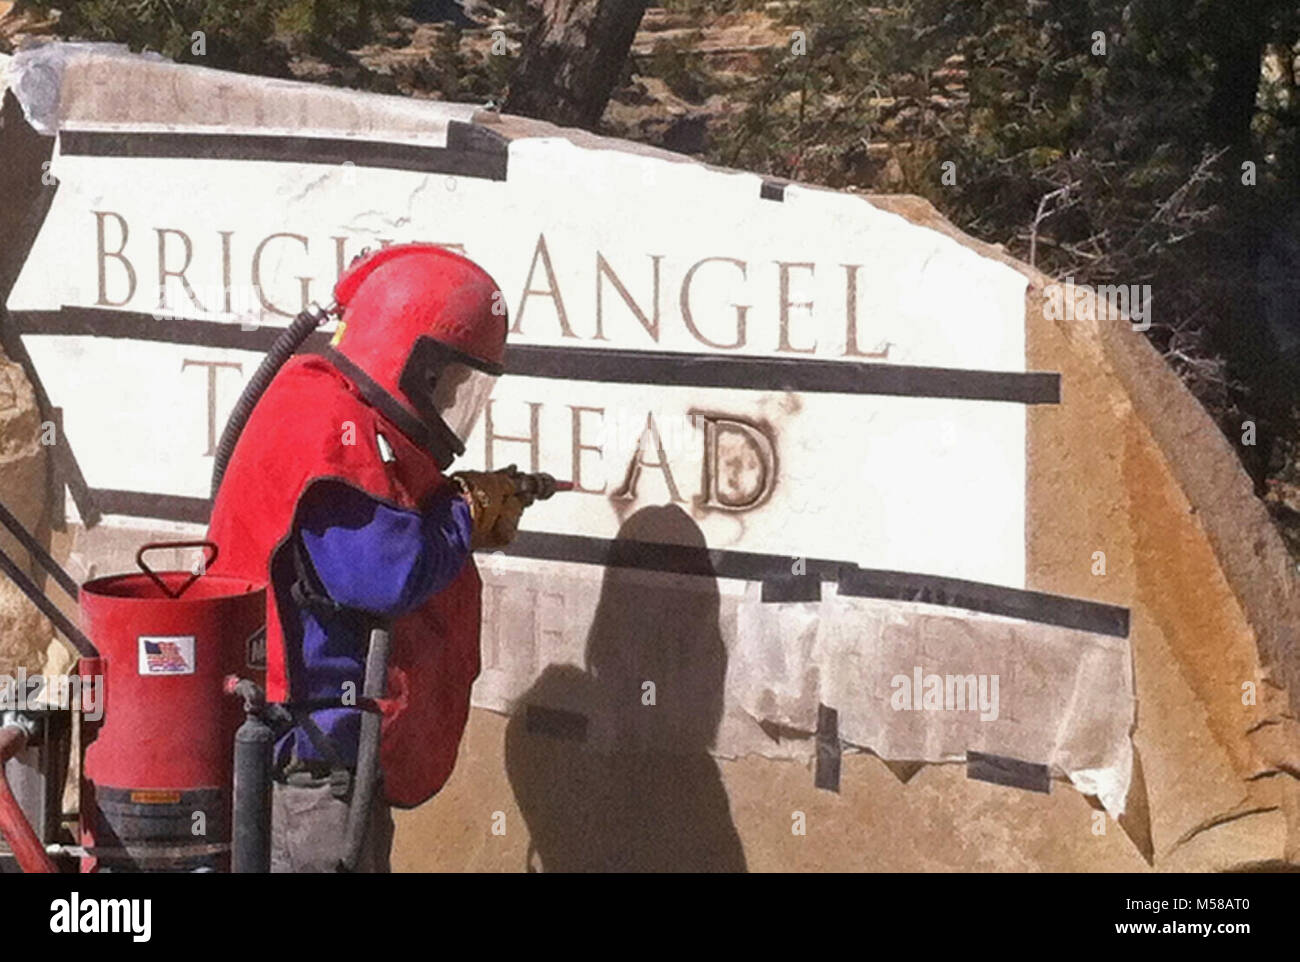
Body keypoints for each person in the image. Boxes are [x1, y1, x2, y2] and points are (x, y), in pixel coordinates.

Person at [208, 243, 522, 872]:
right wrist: (461, 514)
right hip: (307, 766)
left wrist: (454, 505)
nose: (452, 398)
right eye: (450, 380)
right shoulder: (327, 425)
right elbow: (385, 574)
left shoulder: (326, 403)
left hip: (323, 759)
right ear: (413, 356)